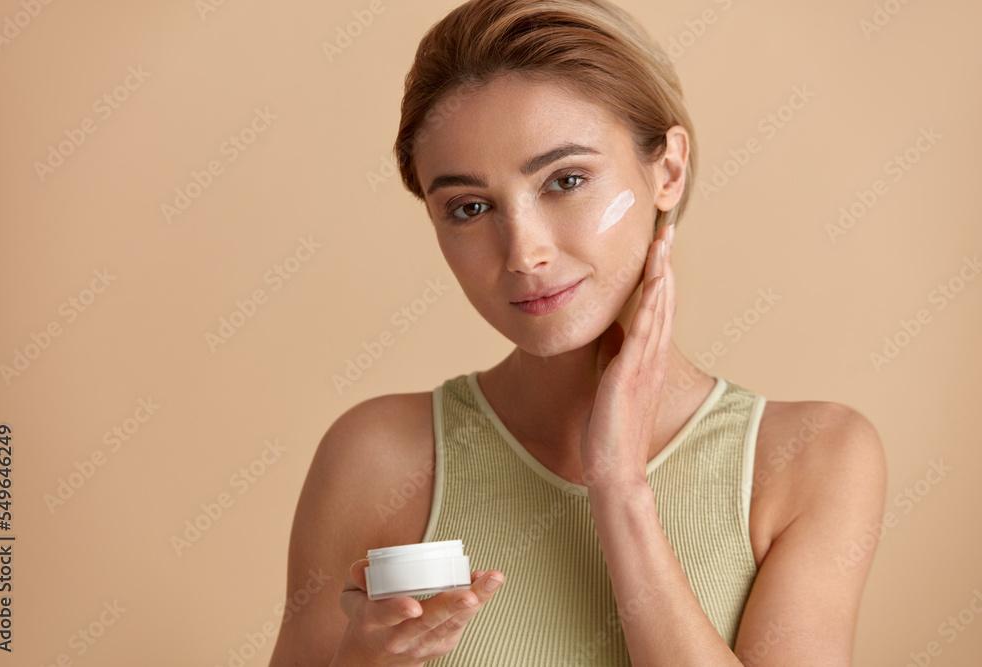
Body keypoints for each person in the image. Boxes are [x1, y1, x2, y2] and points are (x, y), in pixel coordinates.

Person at [269, 0, 886, 664]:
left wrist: (618, 485)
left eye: (565, 180)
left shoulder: (812, 460)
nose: (523, 252)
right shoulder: (375, 458)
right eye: (469, 207)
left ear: (667, 171)